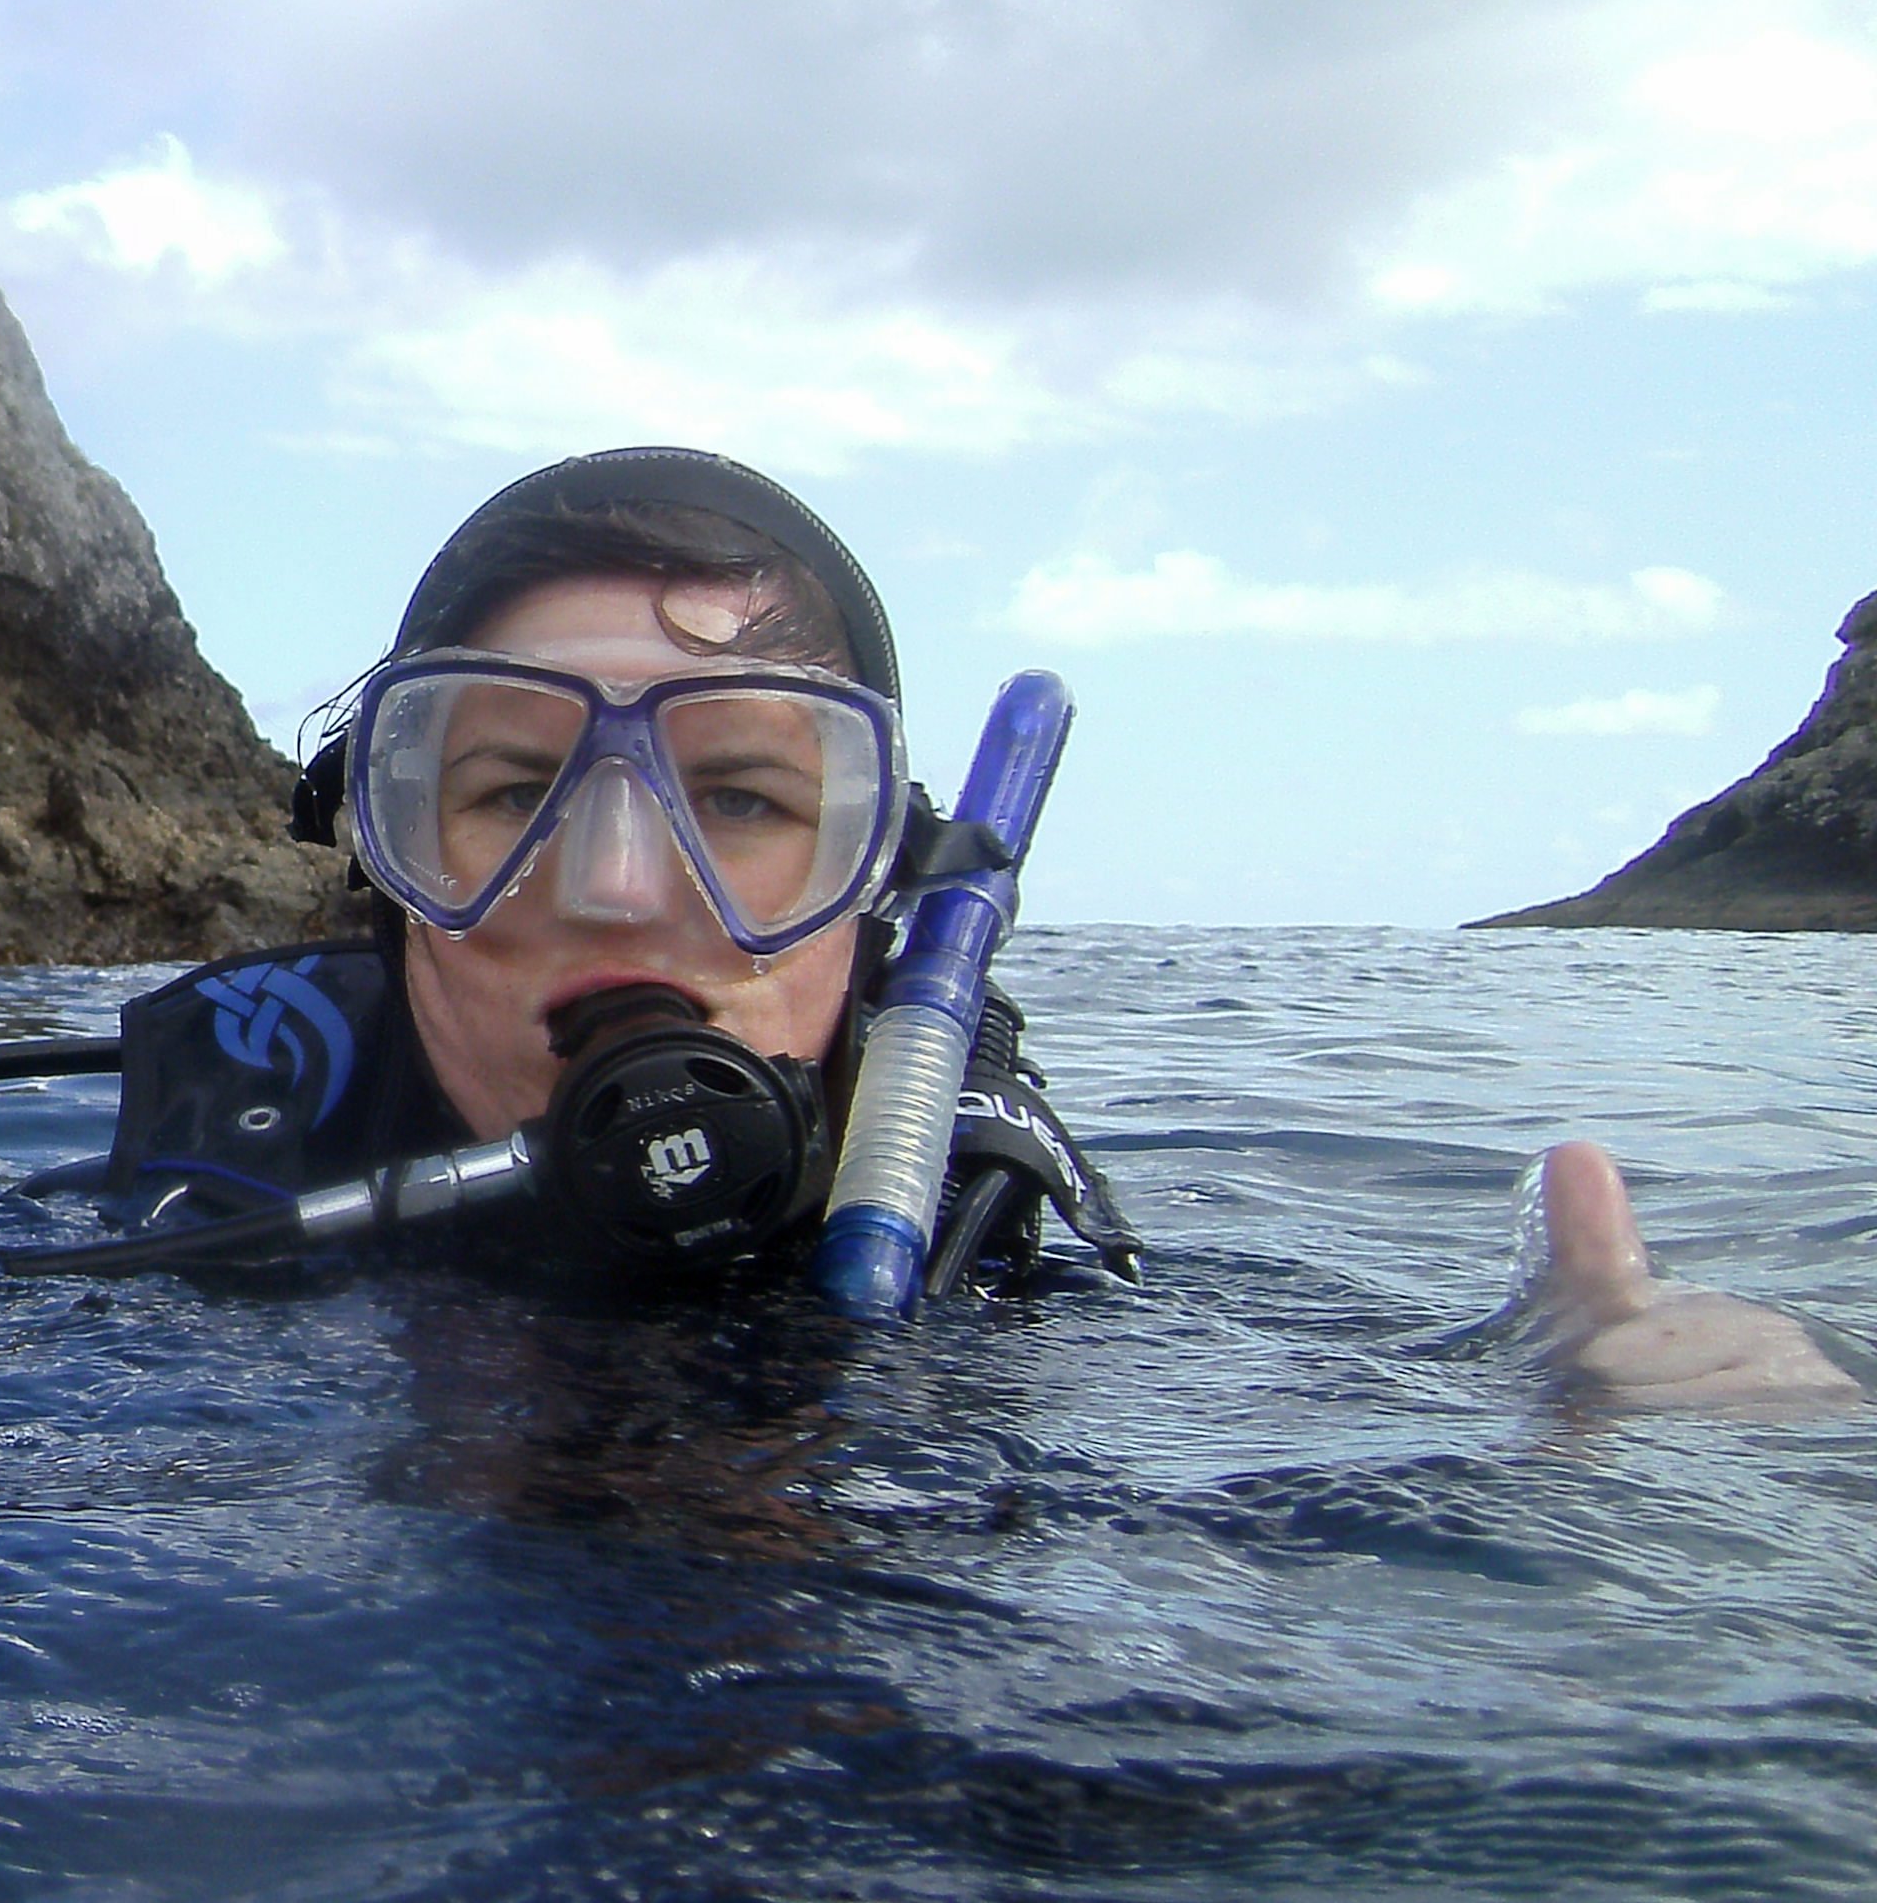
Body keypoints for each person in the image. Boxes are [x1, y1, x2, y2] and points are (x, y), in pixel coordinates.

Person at [93, 446, 1861, 1407]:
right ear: (385, 858)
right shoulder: (188, 1240)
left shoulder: (984, 1244)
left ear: (887, 896)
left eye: (745, 800)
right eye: (504, 790)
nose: (618, 884)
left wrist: (1562, 1399)